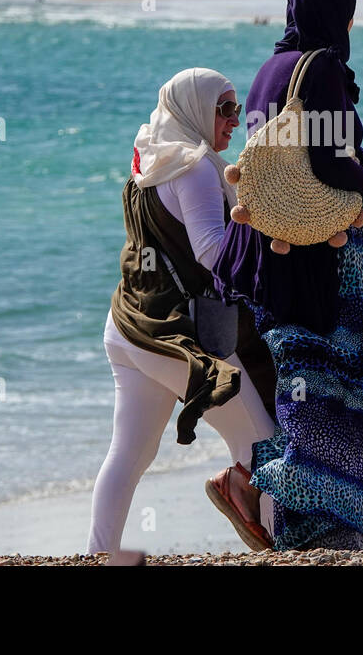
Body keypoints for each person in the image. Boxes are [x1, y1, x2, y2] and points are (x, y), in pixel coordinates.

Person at [214, 0, 363, 552]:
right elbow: (325, 164)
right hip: (315, 258)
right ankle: (288, 502)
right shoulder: (321, 67)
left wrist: (362, 166)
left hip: (268, 252)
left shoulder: (270, 70)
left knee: (311, 380)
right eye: (349, 9)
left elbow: (302, 147)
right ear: (338, 13)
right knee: (359, 376)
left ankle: (284, 511)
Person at [88, 68, 276, 554]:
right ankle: (282, 545)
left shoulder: (147, 159)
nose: (235, 120)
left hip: (129, 326)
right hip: (179, 336)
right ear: (195, 109)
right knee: (261, 444)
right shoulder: (193, 167)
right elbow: (212, 252)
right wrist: (267, 235)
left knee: (128, 456)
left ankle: (99, 555)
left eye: (237, 108)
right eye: (225, 108)